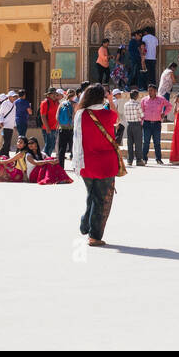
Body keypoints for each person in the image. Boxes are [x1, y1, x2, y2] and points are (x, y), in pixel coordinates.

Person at [74, 84, 122, 246]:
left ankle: (85, 222)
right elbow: (118, 120)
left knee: (91, 195)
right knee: (100, 199)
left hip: (85, 162)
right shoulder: (108, 115)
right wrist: (110, 100)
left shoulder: (80, 114)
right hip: (106, 164)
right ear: (102, 97)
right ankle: (94, 235)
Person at [139, 84, 171, 165]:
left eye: (151, 90)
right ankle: (144, 159)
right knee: (146, 142)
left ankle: (158, 159)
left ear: (155, 91)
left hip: (157, 124)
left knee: (157, 142)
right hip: (147, 123)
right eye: (149, 90)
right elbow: (140, 111)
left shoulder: (161, 99)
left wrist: (164, 113)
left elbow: (169, 106)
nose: (150, 92)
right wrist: (141, 121)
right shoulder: (144, 100)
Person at [123, 88, 144, 165]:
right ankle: (139, 160)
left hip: (129, 124)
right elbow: (142, 115)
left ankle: (129, 160)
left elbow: (125, 115)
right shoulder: (137, 104)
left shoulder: (126, 104)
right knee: (138, 143)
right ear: (136, 96)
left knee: (130, 142)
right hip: (136, 124)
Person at [0, 91, 19, 157]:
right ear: (9, 97)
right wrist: (1, 121)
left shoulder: (14, 104)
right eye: (13, 96)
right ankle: (1, 154)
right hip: (5, 124)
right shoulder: (5, 103)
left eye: (14, 96)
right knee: (6, 142)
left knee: (8, 141)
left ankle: (6, 154)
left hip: (11, 125)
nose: (14, 97)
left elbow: (14, 115)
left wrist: (15, 125)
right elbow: (1, 113)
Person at [55, 90, 76, 165]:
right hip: (71, 129)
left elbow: (57, 117)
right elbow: (75, 117)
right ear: (74, 96)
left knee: (62, 149)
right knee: (73, 148)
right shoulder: (75, 104)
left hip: (62, 129)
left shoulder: (61, 104)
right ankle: (75, 165)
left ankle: (61, 166)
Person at [39, 91, 60, 158]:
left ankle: (44, 158)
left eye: (55, 94)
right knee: (48, 145)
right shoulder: (45, 103)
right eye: (52, 94)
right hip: (47, 128)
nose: (54, 95)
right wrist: (47, 127)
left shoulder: (57, 102)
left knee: (52, 145)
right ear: (48, 95)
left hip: (55, 127)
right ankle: (44, 159)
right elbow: (43, 116)